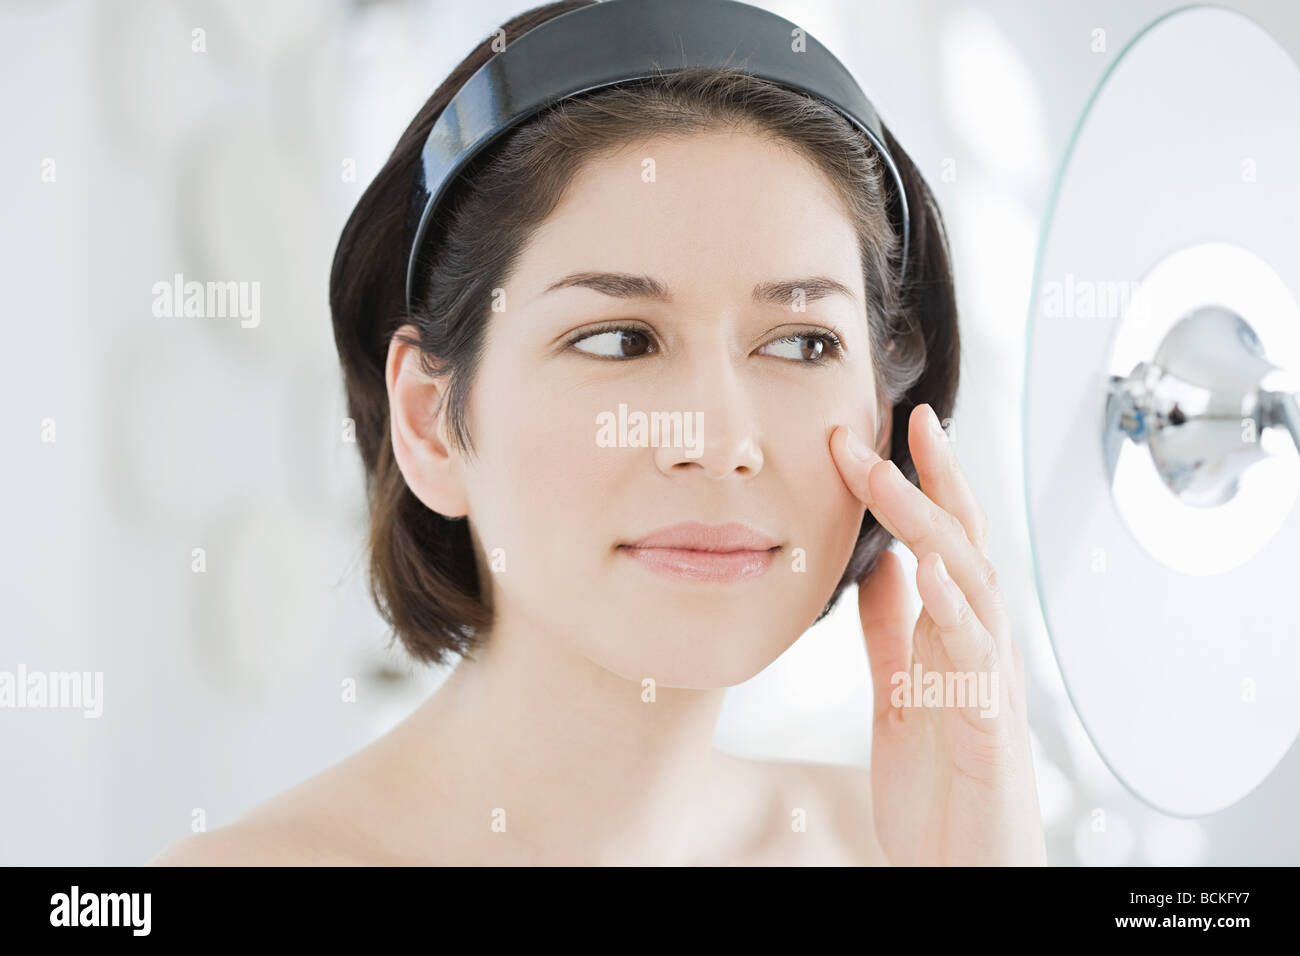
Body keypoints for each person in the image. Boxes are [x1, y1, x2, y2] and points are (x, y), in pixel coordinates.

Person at [151, 0, 1045, 866]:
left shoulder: (908, 843)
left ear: (883, 420)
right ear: (430, 423)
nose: (721, 439)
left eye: (803, 343)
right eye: (620, 341)